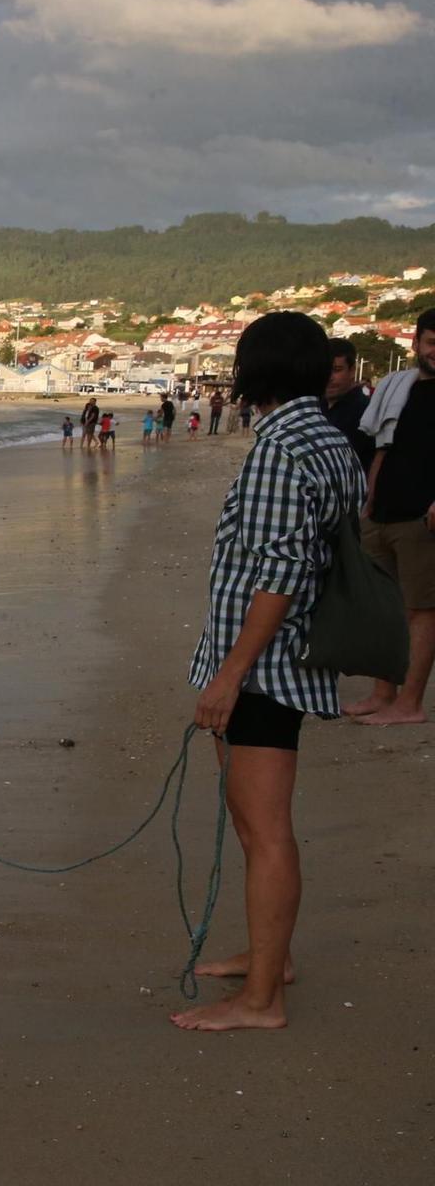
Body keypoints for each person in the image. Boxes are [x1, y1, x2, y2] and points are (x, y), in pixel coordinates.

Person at [174, 312, 364, 1032]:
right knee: (255, 821)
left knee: (265, 823)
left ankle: (262, 999)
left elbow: (281, 570)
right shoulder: (327, 436)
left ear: (256, 370)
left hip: (265, 663)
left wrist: (231, 673)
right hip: (285, 654)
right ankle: (269, 958)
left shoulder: (283, 446)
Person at [346, 309, 435, 725]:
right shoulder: (402, 387)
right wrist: (369, 499)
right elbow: (384, 445)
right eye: (432, 342)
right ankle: (383, 694)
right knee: (385, 606)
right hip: (382, 511)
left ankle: (409, 704)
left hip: (423, 518)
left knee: (422, 611)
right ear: (416, 344)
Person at [322, 338, 373, 475]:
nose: (329, 377)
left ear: (352, 371)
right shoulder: (316, 407)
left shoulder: (364, 413)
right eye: (324, 369)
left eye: (336, 370)